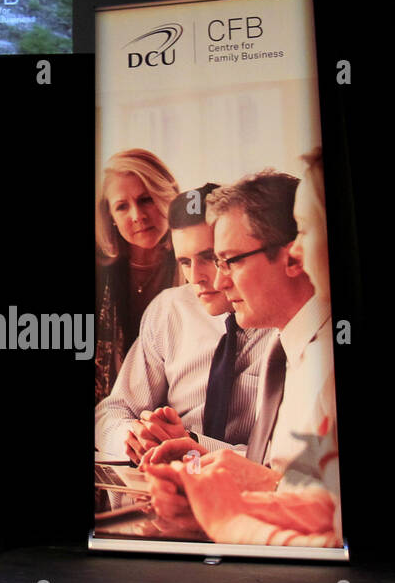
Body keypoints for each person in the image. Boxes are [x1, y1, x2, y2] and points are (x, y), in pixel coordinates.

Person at [141, 161, 342, 546]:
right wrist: (211, 478)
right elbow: (295, 486)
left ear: (291, 258)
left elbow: (334, 526)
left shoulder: (327, 362)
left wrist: (252, 498)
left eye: (229, 261)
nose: (217, 281)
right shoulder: (285, 351)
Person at [95, 184, 274, 462]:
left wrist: (190, 447)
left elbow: (280, 461)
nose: (196, 277)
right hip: (162, 486)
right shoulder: (170, 309)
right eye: (185, 262)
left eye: (209, 258)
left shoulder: (280, 323)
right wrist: (136, 437)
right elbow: (109, 414)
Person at [94, 149, 183, 403]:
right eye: (122, 206)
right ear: (110, 217)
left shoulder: (193, 261)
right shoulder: (101, 270)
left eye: (145, 199)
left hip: (174, 409)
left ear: (168, 196)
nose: (137, 216)